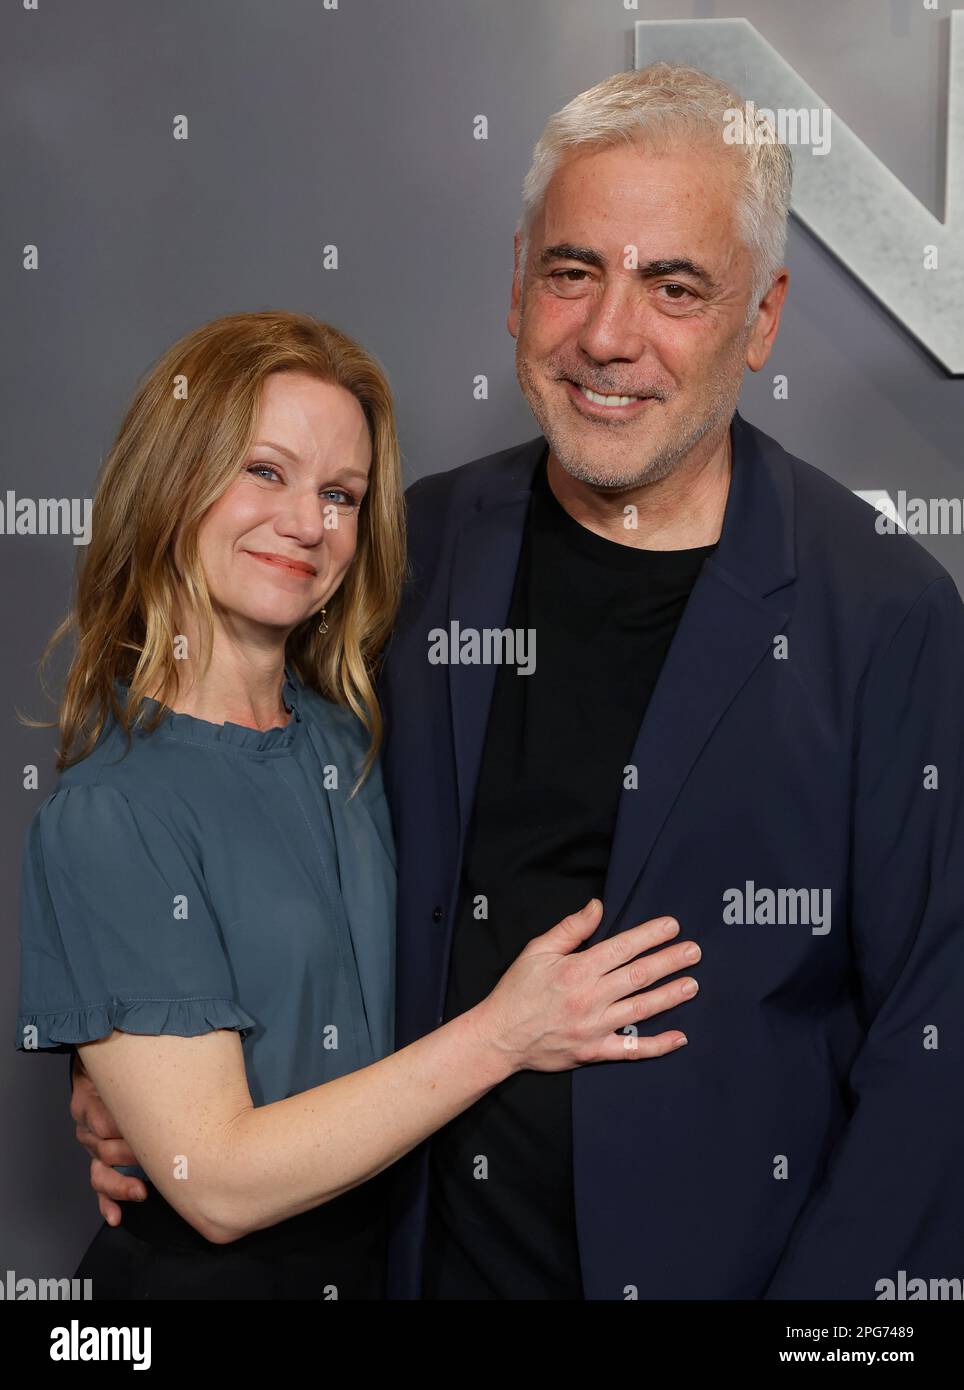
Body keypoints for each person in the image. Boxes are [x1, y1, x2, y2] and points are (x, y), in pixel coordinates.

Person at [77, 62, 964, 1300]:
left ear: (759, 322)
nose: (608, 334)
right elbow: (246, 836)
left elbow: (937, 1051)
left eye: (673, 285)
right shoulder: (405, 547)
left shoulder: (887, 613)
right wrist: (149, 1066)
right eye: (572, 271)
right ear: (514, 285)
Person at [16, 310, 701, 1300]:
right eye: (264, 471)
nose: (306, 524)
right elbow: (212, 1180)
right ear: (171, 481)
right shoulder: (111, 811)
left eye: (340, 493)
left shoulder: (370, 739)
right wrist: (505, 1033)